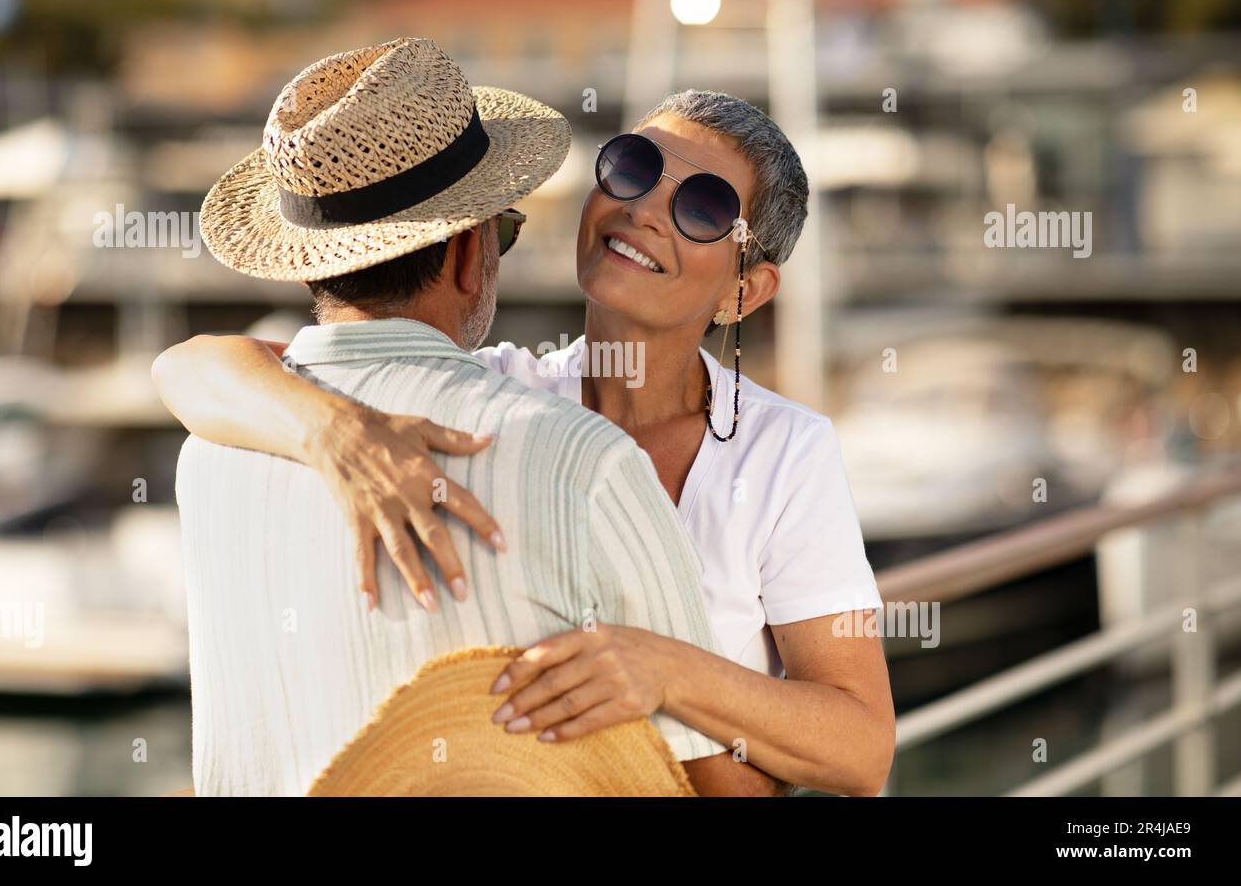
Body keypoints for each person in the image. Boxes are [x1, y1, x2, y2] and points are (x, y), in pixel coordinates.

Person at [157, 74, 895, 796]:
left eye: (702, 207)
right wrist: (338, 433)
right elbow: (189, 371)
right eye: (632, 168)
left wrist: (664, 670)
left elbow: (861, 750)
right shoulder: (488, 397)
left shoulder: (786, 451)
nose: (644, 210)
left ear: (745, 290)